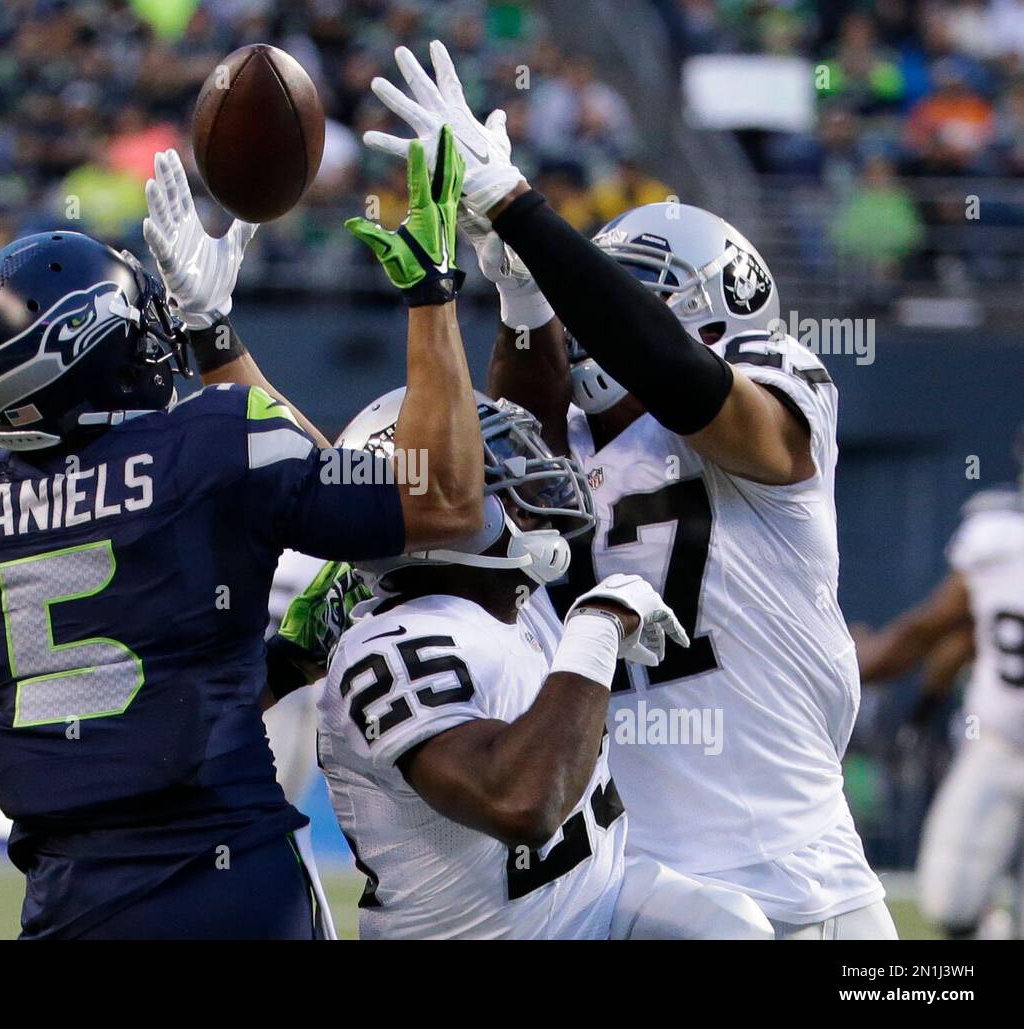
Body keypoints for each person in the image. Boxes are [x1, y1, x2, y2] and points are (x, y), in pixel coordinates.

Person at [364, 40, 895, 939]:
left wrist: (521, 207)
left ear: (701, 307)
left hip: (810, 876)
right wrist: (524, 301)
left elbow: (683, 381)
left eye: (624, 298)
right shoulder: (563, 437)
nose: (592, 324)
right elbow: (516, 437)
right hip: (636, 886)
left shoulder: (773, 385)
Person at [0, 131, 484, 939]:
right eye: (138, 323)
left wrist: (280, 662)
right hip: (234, 883)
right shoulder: (213, 446)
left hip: (70, 902)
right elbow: (443, 499)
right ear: (94, 353)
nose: (155, 337)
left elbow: (132, 679)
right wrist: (431, 297)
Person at [292, 387, 771, 939]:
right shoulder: (393, 649)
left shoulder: (512, 600)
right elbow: (522, 803)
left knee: (725, 927)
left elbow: (327, 466)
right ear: (429, 515)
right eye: (494, 473)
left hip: (592, 910)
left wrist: (216, 331)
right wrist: (598, 626)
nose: (530, 480)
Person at [855, 459, 1024, 938]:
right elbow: (939, 633)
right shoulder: (1001, 545)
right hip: (998, 744)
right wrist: (852, 666)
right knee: (951, 903)